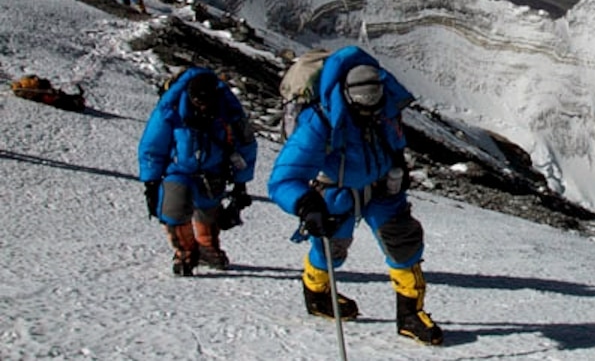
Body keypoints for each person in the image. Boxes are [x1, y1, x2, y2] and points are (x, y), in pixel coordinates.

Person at [268, 46, 443, 346]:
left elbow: (393, 143)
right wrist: (305, 202)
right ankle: (316, 292)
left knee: (403, 242)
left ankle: (411, 315)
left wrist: (396, 167)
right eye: (364, 108)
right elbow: (283, 178)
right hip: (335, 191)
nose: (370, 113)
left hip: (380, 187)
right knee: (331, 249)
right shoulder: (319, 121)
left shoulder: (383, 106)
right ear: (348, 97)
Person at [139, 69, 257, 275]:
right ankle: (185, 251)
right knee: (174, 209)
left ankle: (206, 247)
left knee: (209, 209)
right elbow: (153, 147)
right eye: (198, 101)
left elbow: (246, 147)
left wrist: (241, 183)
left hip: (213, 170)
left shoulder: (229, 112)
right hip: (179, 169)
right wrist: (151, 181)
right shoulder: (171, 109)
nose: (203, 106)